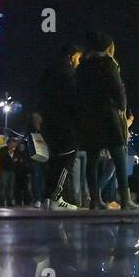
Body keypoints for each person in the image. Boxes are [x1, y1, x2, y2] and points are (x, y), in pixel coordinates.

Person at [76, 32, 139, 210]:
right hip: (108, 116)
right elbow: (118, 89)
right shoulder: (109, 64)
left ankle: (94, 200)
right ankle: (126, 200)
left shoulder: (83, 66)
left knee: (92, 159)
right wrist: (121, 106)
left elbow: (78, 93)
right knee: (118, 157)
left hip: (90, 117)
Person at [36, 42, 82, 210]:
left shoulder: (49, 73)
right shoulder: (68, 75)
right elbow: (73, 100)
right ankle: (56, 196)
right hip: (65, 124)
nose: (79, 62)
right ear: (71, 57)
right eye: (78, 58)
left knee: (55, 160)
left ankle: (47, 198)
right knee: (66, 161)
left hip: (49, 122)